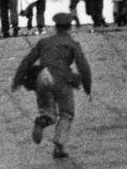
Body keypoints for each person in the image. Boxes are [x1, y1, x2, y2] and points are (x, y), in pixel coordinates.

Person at [11, 12, 92, 160]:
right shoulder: (73, 44)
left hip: (43, 76)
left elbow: (27, 61)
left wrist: (17, 80)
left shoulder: (44, 42)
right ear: (70, 27)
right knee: (66, 113)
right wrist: (87, 87)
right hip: (62, 78)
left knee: (48, 113)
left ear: (55, 27)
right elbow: (83, 66)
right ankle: (59, 145)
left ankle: (42, 122)